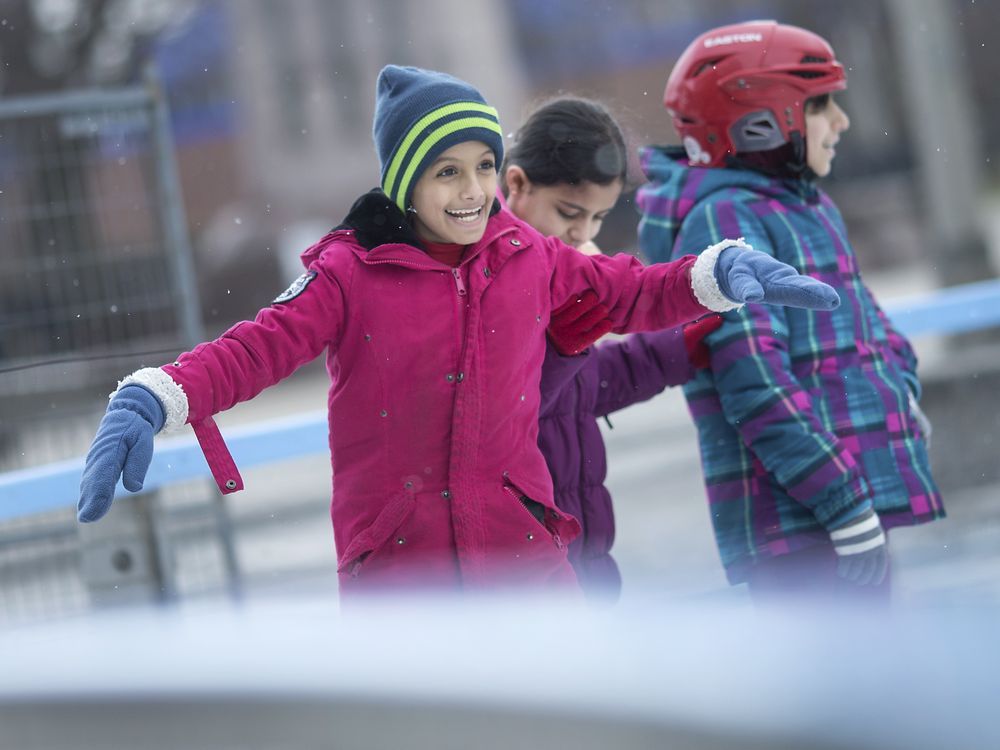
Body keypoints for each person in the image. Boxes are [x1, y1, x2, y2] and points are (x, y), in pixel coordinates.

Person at [78, 64, 839, 598]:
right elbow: (258, 346)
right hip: (402, 580)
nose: (474, 190)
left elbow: (632, 291)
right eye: (447, 172)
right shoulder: (350, 273)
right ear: (406, 181)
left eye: (484, 164)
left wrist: (719, 272)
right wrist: (157, 396)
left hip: (527, 562)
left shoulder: (525, 255)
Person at [637, 21, 943, 606]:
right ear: (763, 123)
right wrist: (843, 504)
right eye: (824, 105)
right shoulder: (725, 222)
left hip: (842, 514)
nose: (842, 122)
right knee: (840, 691)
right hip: (799, 533)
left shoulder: (807, 207)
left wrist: (897, 392)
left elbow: (868, 323)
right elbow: (755, 383)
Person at [502, 96, 722, 600]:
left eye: (598, 218)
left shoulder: (568, 268)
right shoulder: (488, 277)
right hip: (526, 569)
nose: (582, 233)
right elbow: (500, 414)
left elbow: (585, 386)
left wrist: (678, 348)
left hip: (584, 553)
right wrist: (562, 346)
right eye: (569, 212)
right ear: (517, 184)